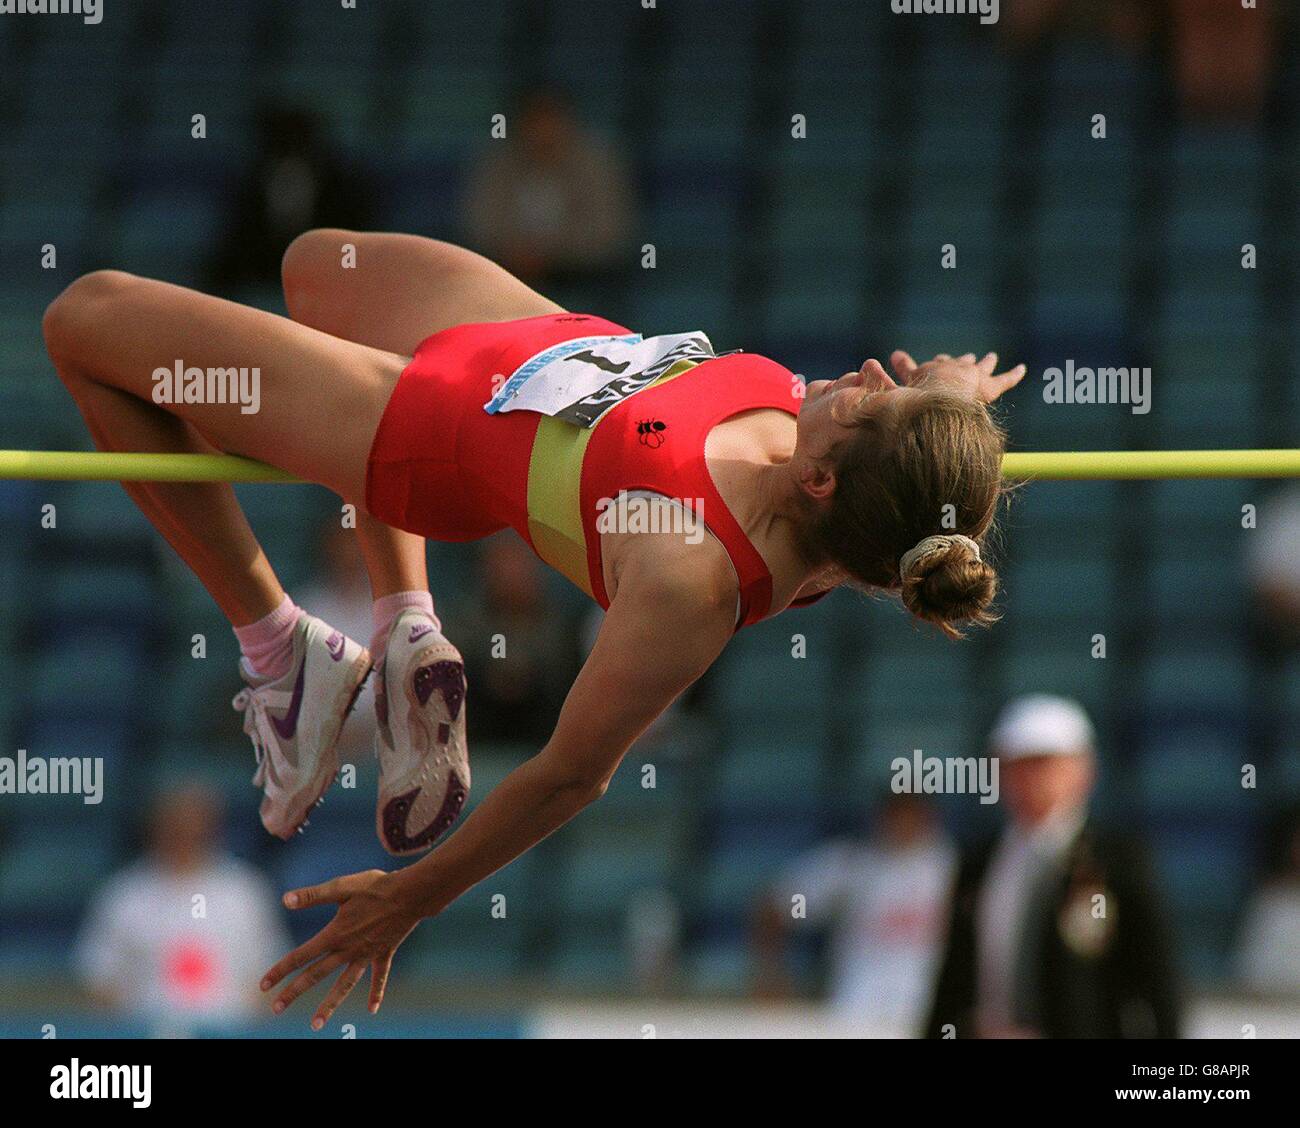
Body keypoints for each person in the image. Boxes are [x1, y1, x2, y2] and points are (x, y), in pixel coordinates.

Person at [41, 228, 1025, 1028]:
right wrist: (949, 412)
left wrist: (408, 899)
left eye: (870, 398)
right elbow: (913, 495)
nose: (857, 370)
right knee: (313, 266)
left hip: (427, 425)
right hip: (546, 344)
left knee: (85, 319)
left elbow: (571, 773)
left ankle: (281, 648)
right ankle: (408, 622)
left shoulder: (692, 575)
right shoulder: (846, 474)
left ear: (820, 480)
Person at [925, 695, 1182, 1039]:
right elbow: (953, 980)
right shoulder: (979, 864)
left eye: (1045, 763)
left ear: (1084, 770)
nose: (1031, 778)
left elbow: (1157, 980)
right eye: (1016, 765)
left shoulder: (1117, 861)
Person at [74, 784, 291, 1031]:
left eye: (194, 826)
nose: (184, 835)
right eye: (175, 826)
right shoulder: (124, 895)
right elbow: (100, 980)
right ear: (155, 828)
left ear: (212, 828)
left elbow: (270, 976)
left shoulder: (245, 892)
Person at [752, 793, 956, 1033]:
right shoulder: (852, 865)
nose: (903, 822)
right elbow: (775, 906)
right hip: (857, 1014)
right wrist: (770, 973)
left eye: (910, 812)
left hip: (929, 1017)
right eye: (896, 812)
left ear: (929, 817)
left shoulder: (954, 868)